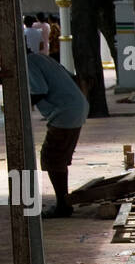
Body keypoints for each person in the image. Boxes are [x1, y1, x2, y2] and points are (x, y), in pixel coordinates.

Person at [25, 51, 89, 216]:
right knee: (58, 158)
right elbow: (74, 78)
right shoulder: (41, 58)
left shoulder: (29, 63)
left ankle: (63, 205)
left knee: (52, 157)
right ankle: (64, 201)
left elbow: (39, 91)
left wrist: (19, 106)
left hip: (65, 112)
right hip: (74, 108)